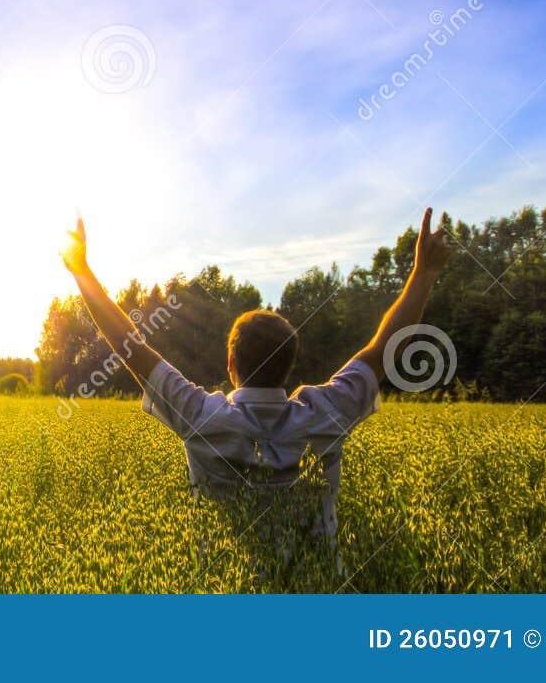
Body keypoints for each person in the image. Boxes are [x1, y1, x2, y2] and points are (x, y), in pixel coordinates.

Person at [59, 208, 453, 543]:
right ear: (289, 368)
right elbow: (384, 349)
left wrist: (82, 273)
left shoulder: (201, 417)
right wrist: (424, 272)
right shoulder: (327, 412)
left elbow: (132, 348)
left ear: (231, 365)